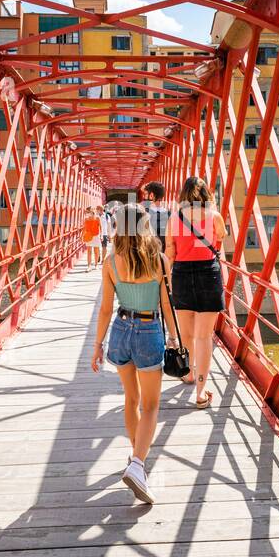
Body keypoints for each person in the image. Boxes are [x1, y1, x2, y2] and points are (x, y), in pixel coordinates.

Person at [91, 204, 178, 504]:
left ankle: (135, 458)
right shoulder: (159, 260)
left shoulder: (109, 262)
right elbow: (167, 307)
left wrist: (97, 345)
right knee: (152, 405)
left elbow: (104, 310)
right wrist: (175, 339)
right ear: (144, 225)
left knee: (132, 399)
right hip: (148, 329)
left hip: (119, 330)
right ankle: (139, 464)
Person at [165, 175, 226, 410]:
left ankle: (189, 374)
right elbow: (220, 239)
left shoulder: (174, 218)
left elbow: (170, 253)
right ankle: (200, 392)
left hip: (181, 274)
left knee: (187, 334)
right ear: (207, 194)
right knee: (204, 337)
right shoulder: (214, 216)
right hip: (207, 274)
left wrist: (169, 284)